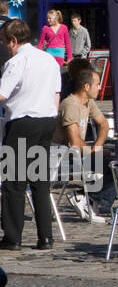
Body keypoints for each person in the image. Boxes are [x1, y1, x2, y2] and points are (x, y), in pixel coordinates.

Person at [0, 20, 62, 250]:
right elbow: (56, 94)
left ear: (13, 41)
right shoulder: (48, 59)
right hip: (46, 121)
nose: (5, 46)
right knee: (39, 182)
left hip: (22, 122)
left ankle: (13, 237)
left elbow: (2, 93)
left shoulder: (17, 61)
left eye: (5, 42)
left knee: (14, 182)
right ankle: (45, 237)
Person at [52, 67, 109, 223]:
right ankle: (85, 198)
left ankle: (90, 200)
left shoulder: (88, 102)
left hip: (77, 154)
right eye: (97, 84)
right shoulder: (70, 105)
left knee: (116, 166)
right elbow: (74, 141)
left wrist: (98, 146)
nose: (100, 87)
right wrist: (93, 153)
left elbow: (104, 124)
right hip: (61, 157)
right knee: (107, 166)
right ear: (86, 87)